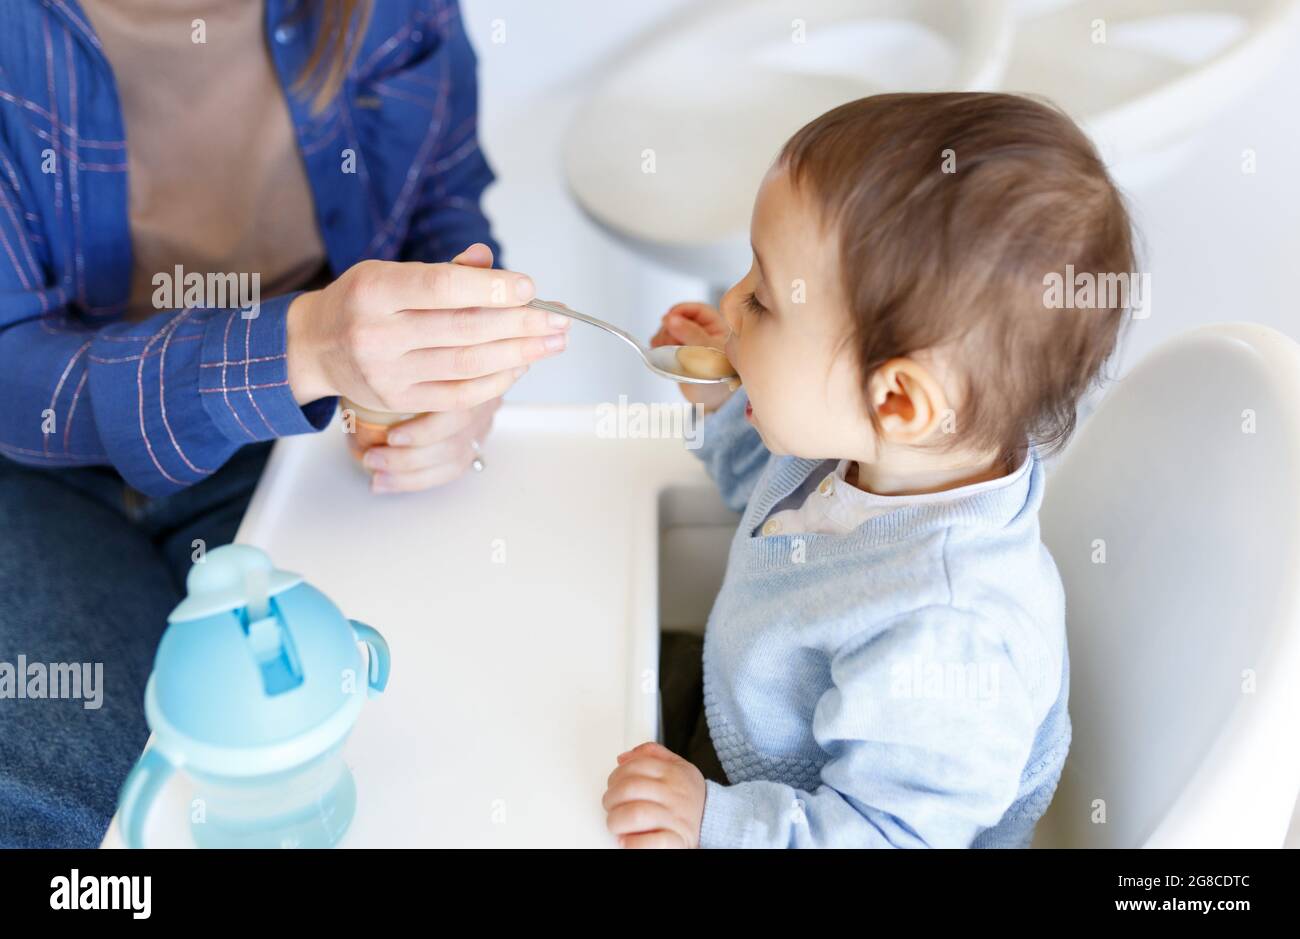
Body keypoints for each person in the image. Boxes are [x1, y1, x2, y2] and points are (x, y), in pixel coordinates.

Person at [0, 0, 567, 847]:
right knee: (80, 817)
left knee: (397, 753)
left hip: (304, 441)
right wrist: (297, 348)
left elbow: (442, 206)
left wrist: (457, 378)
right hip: (41, 476)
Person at [604, 92, 1137, 848]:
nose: (730, 302)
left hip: (795, 820)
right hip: (743, 715)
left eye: (764, 297)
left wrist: (715, 822)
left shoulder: (948, 632)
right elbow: (775, 492)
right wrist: (727, 402)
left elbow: (884, 837)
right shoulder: (876, 449)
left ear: (898, 398)